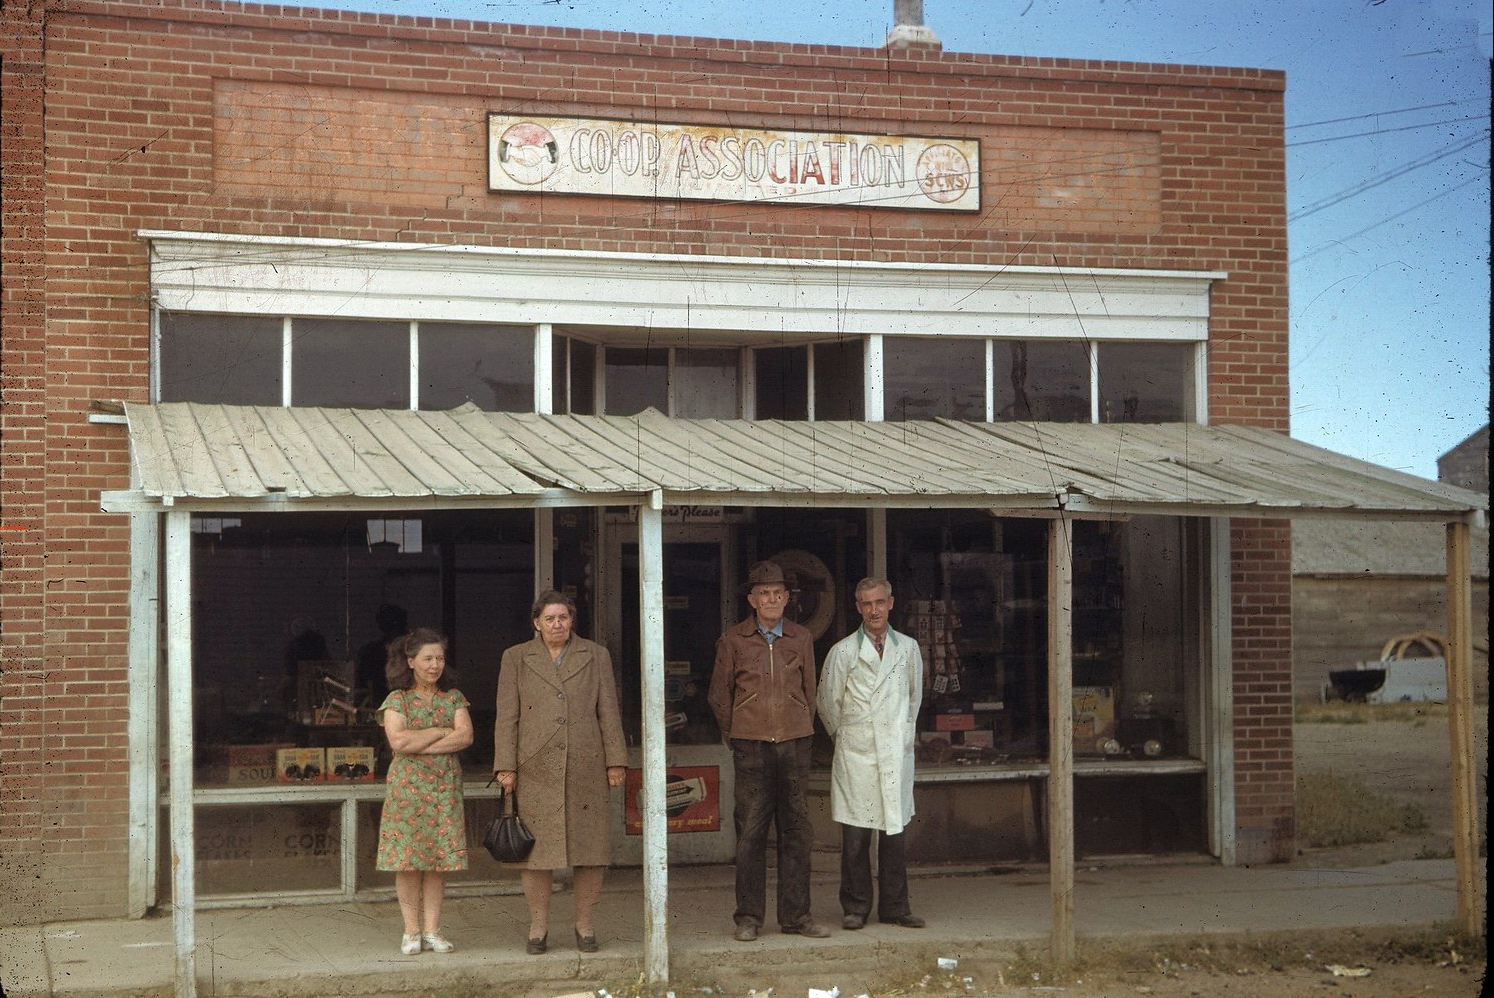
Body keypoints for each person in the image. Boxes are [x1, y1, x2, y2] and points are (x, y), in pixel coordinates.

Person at [494, 590, 627, 955]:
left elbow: (609, 712)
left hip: (586, 764)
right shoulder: (516, 658)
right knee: (536, 853)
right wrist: (505, 765)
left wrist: (615, 760)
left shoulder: (596, 655)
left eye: (563, 618)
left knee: (590, 849)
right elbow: (507, 715)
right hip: (534, 767)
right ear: (536, 623)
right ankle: (538, 928)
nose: (557, 624)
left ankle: (585, 926)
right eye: (549, 618)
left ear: (572, 621)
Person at [707, 560, 830, 942]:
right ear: (752, 599)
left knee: (797, 831)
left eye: (779, 593)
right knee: (751, 834)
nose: (772, 599)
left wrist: (796, 727)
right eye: (764, 593)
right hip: (752, 749)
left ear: (788, 598)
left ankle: (797, 917)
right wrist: (739, 733)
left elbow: (811, 694)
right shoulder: (733, 640)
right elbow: (719, 696)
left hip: (794, 746)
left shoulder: (802, 638)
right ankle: (749, 917)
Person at [816, 577, 925, 930]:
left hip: (894, 753)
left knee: (894, 834)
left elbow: (914, 699)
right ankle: (856, 907)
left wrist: (902, 737)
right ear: (857, 606)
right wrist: (848, 739)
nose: (874, 610)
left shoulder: (908, 648)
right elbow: (827, 704)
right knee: (856, 837)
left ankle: (895, 907)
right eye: (866, 603)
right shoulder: (843, 651)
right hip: (857, 753)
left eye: (879, 602)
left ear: (891, 603)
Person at [375, 627, 474, 955]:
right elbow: (398, 742)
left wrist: (419, 743)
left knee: (437, 862)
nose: (435, 665)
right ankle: (411, 931)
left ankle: (432, 930)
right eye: (428, 658)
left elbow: (465, 738)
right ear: (411, 661)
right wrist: (437, 730)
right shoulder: (397, 699)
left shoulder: (454, 697)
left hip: (444, 789)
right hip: (408, 791)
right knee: (408, 861)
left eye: (440, 658)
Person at [355, 603, 407, 707]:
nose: (393, 628)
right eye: (388, 623)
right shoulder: (370, 652)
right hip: (378, 705)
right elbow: (362, 686)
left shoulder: (414, 651)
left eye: (396, 623)